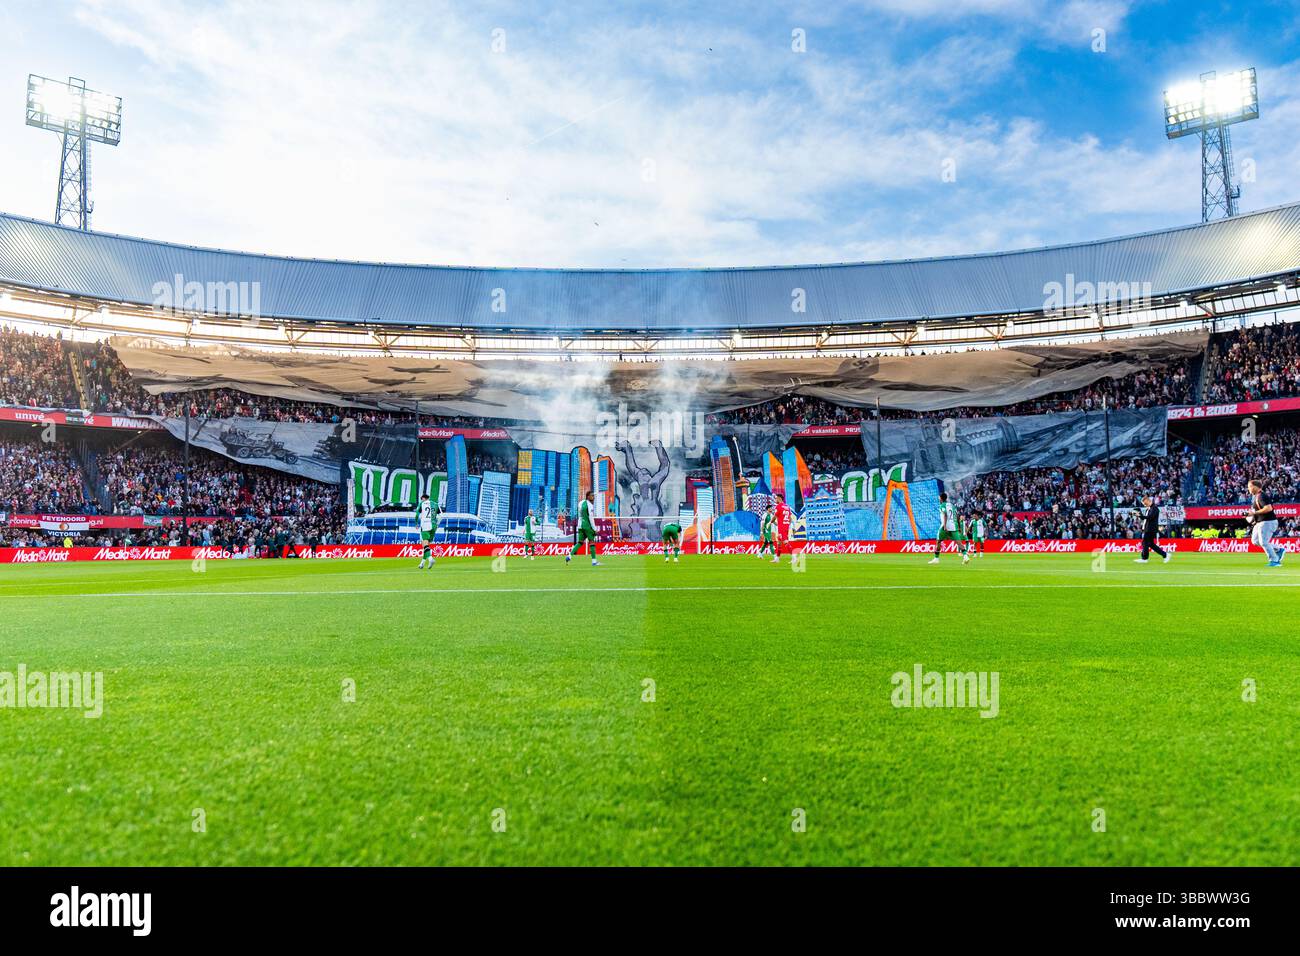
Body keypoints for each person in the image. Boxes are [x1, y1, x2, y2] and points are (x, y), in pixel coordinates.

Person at [1246, 479, 1286, 567]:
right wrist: (1250, 515)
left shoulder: (1261, 496)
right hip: (1260, 522)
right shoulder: (1257, 496)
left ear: (1255, 487)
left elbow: (1268, 508)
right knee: (1255, 541)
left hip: (1267, 521)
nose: (1248, 489)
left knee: (1263, 542)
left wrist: (1254, 513)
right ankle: (1278, 550)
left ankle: (1275, 561)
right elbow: (1257, 510)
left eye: (1250, 487)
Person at [929, 492, 969, 565]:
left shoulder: (942, 505)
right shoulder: (952, 505)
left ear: (941, 498)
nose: (939, 499)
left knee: (938, 541)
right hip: (954, 526)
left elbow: (945, 515)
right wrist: (959, 527)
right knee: (959, 543)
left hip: (945, 526)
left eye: (939, 497)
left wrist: (944, 526)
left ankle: (936, 558)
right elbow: (957, 515)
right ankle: (966, 556)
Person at [565, 491, 601, 566]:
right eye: (592, 496)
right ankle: (594, 561)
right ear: (588, 496)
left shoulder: (580, 503)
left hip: (580, 525)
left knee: (580, 542)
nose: (593, 497)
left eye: (593, 496)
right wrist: (594, 529)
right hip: (587, 525)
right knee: (592, 542)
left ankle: (569, 556)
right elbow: (591, 518)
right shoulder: (590, 505)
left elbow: (580, 514)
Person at [1134, 495, 1171, 564]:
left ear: (1148, 501)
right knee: (1151, 544)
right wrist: (1138, 514)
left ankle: (1144, 558)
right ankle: (1165, 555)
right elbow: (1145, 518)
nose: (1144, 505)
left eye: (1145, 503)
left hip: (1150, 529)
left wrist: (1141, 515)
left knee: (1144, 542)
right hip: (1147, 528)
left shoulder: (1154, 508)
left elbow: (1150, 517)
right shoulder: (1149, 509)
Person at [416, 493, 437, 569]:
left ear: (423, 498)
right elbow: (441, 515)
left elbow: (416, 514)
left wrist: (416, 523)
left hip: (425, 525)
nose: (421, 500)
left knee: (424, 544)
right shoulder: (435, 504)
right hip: (434, 526)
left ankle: (431, 559)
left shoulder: (422, 503)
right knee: (426, 545)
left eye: (422, 499)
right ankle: (422, 563)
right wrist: (436, 524)